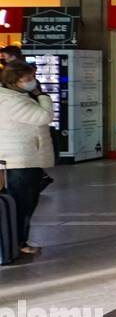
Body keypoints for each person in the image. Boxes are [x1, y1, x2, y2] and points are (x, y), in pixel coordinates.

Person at [0, 61, 53, 259]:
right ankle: (18, 243)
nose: (33, 82)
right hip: (21, 159)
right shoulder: (12, 101)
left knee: (21, 201)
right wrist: (42, 96)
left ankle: (17, 241)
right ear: (14, 81)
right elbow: (45, 116)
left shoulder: (12, 96)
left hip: (19, 157)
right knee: (23, 203)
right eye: (28, 79)